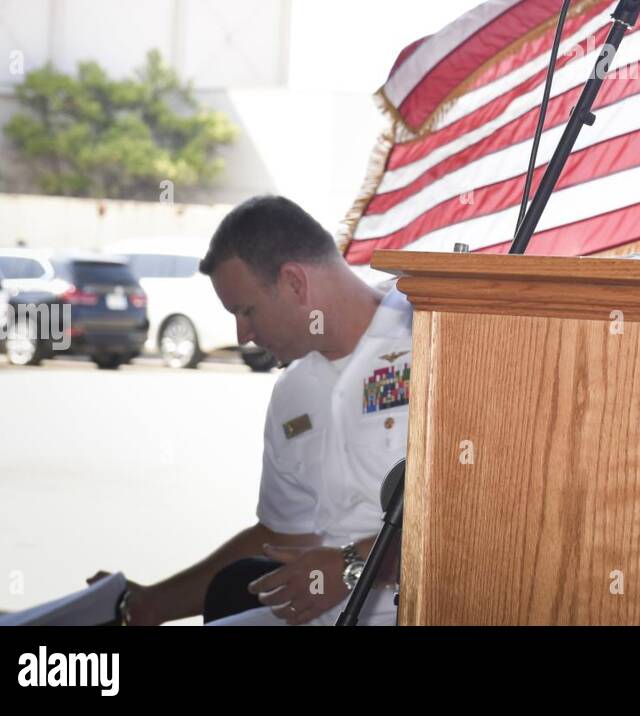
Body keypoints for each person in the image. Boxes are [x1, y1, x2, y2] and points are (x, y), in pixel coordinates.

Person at [88, 195, 411, 626]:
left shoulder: (430, 339)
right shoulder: (294, 393)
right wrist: (152, 604)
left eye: (246, 310)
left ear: (295, 282)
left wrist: (354, 566)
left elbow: (481, 520)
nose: (243, 334)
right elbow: (282, 533)